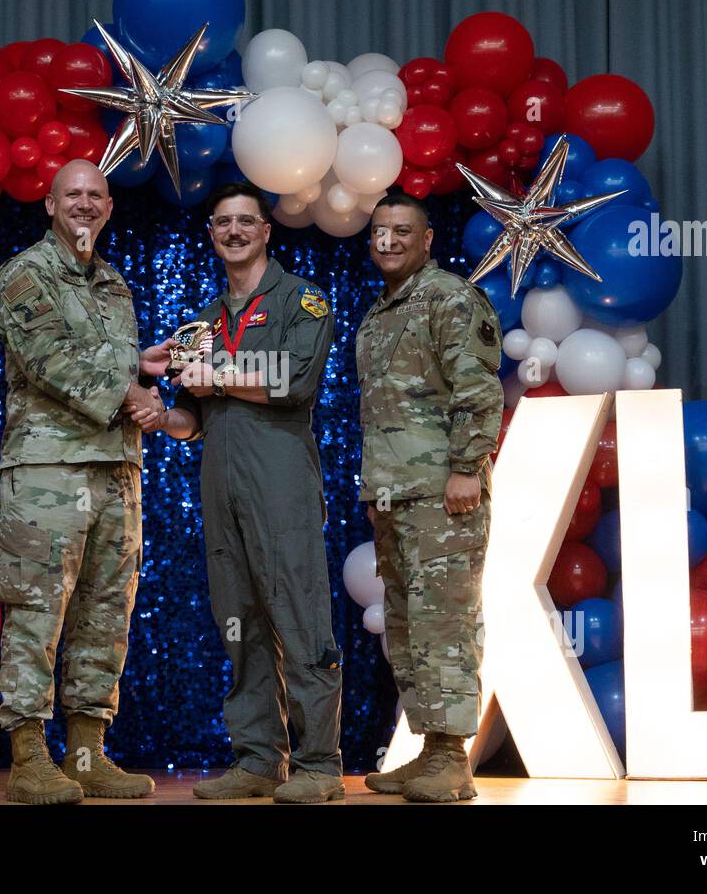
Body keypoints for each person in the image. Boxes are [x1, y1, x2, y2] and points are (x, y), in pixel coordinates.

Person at [132, 181, 344, 804]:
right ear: (212, 234)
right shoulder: (203, 322)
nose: (234, 231)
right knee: (240, 626)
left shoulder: (301, 300)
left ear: (266, 231)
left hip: (280, 487)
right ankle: (257, 759)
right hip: (221, 489)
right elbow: (192, 417)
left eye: (246, 221)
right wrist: (157, 414)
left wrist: (215, 374)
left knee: (301, 623)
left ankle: (320, 766)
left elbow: (295, 380)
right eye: (223, 223)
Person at [0, 159, 172, 805]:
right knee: (36, 613)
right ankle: (30, 757)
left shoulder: (114, 284)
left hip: (117, 471)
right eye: (73, 194)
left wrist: (141, 364)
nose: (85, 204)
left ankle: (89, 754)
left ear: (109, 206)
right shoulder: (23, 274)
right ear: (50, 204)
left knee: (104, 615)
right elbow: (51, 359)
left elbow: (102, 359)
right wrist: (132, 392)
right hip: (47, 471)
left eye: (96, 195)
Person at [355, 192, 504, 803]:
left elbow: (477, 387)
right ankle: (426, 748)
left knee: (445, 621)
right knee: (410, 626)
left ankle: (451, 759)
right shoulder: (380, 312)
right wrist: (378, 490)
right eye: (379, 231)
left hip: (446, 494)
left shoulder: (450, 298)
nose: (388, 241)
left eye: (401, 231)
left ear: (426, 238)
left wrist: (468, 467)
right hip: (396, 495)